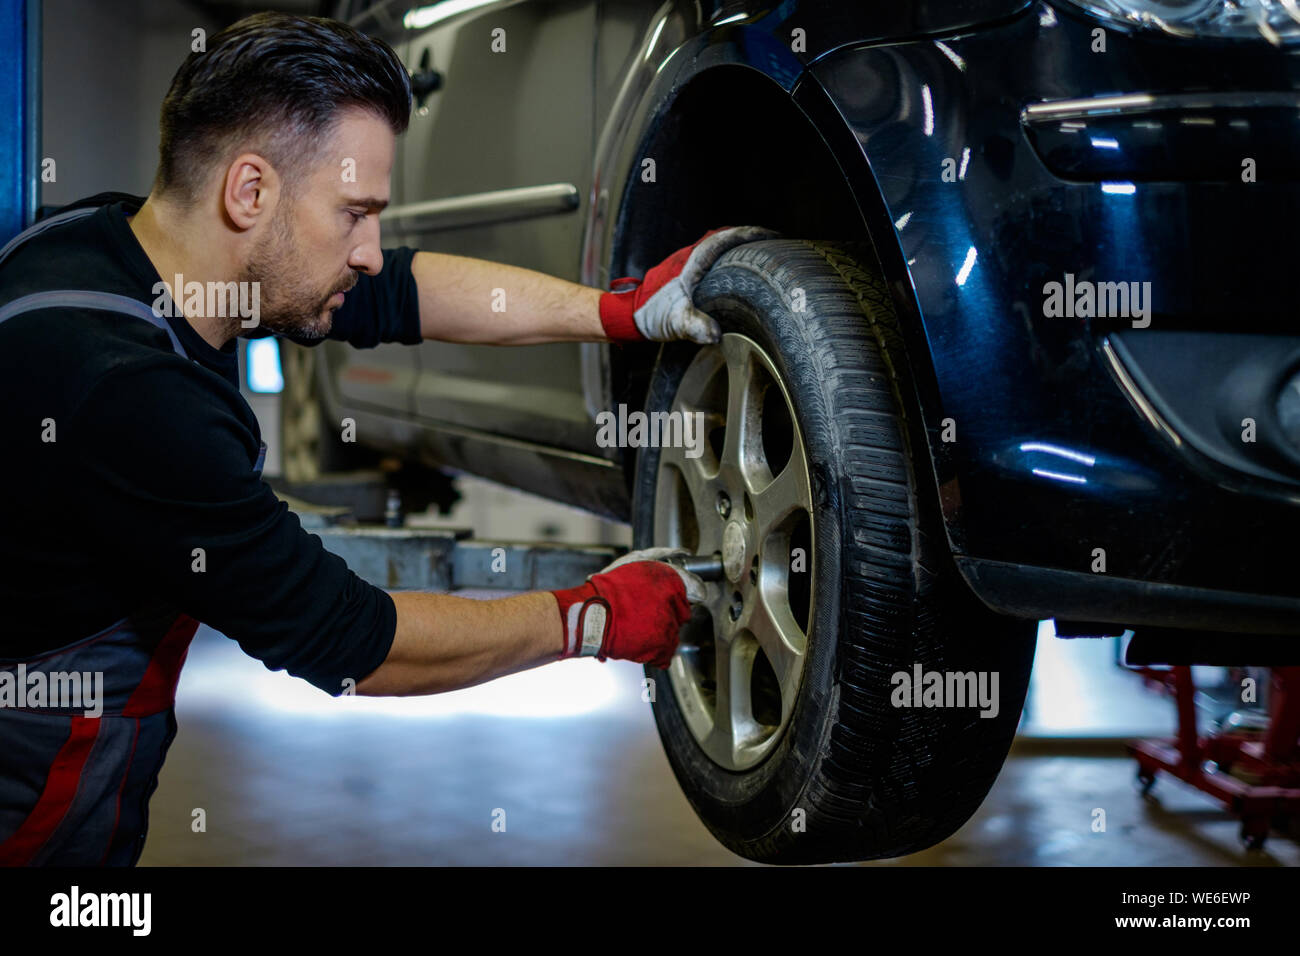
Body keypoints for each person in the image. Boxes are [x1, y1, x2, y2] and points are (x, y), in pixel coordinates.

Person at [0, 12, 771, 865]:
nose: (371, 251)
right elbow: (356, 643)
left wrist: (615, 310)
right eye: (355, 214)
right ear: (249, 192)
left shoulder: (104, 243)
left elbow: (399, 293)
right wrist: (589, 620)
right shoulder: (129, 393)